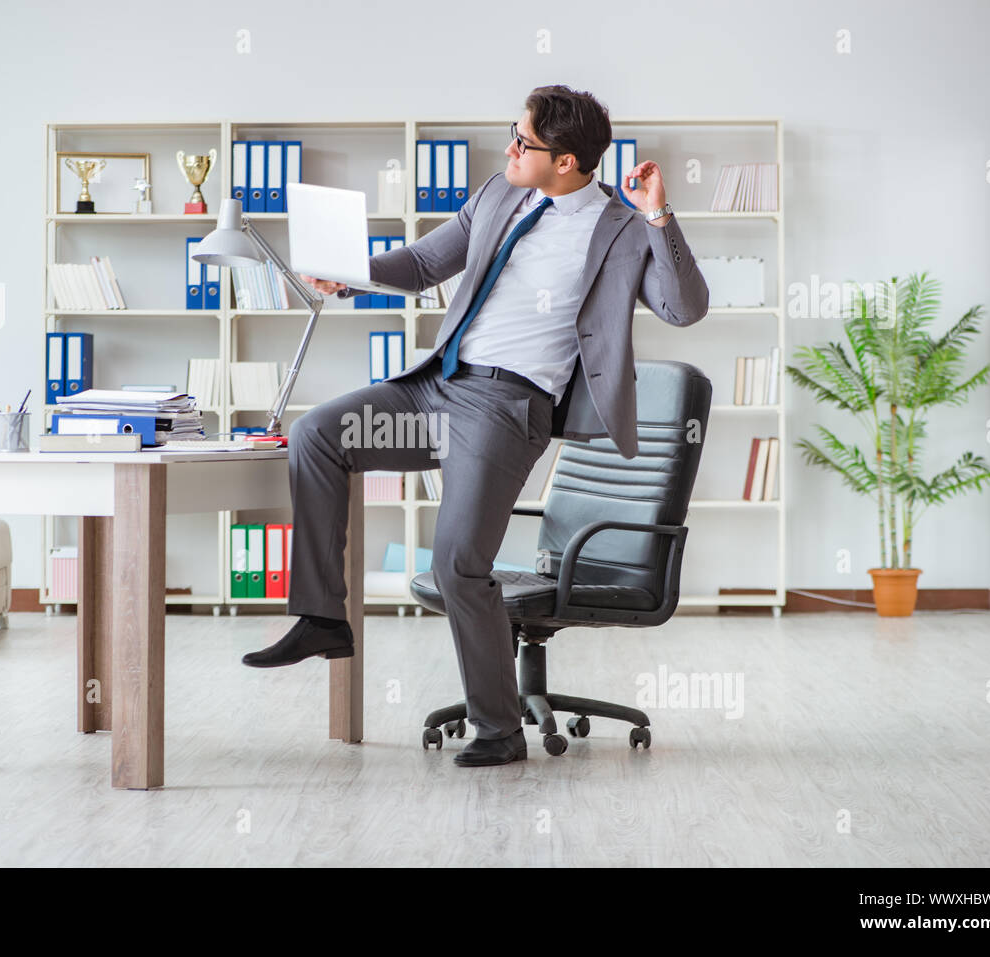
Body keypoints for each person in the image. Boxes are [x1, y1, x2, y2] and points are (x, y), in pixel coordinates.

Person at [242, 84, 709, 767]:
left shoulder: (622, 227)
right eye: (513, 135)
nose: (510, 148)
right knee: (319, 435)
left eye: (525, 143)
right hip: (437, 387)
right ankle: (320, 617)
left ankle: (499, 729)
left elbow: (685, 307)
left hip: (506, 408)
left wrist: (661, 215)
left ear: (569, 161)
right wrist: (353, 274)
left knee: (458, 564)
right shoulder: (500, 193)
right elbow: (427, 261)